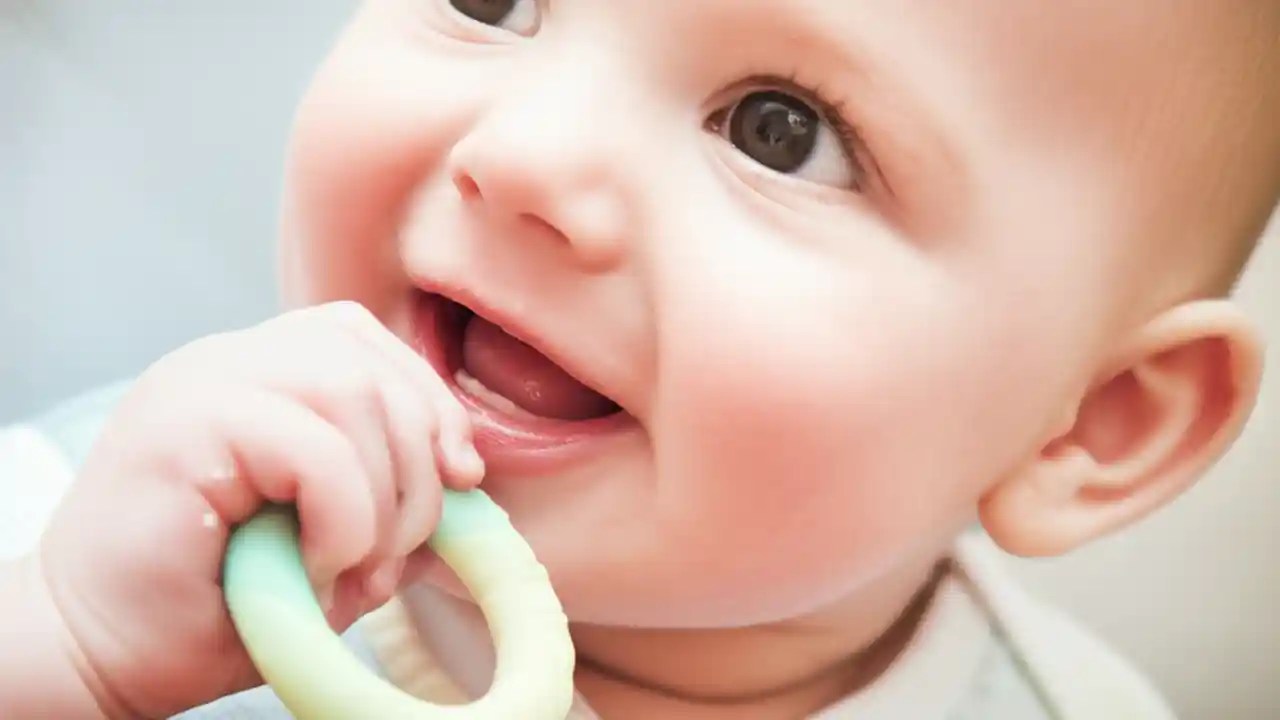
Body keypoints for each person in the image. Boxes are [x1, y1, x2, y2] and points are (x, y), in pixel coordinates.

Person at [2, 1, 1278, 717]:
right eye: (497, 2)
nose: (526, 154)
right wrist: (72, 661)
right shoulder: (92, 540)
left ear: (1093, 423)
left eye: (778, 132)